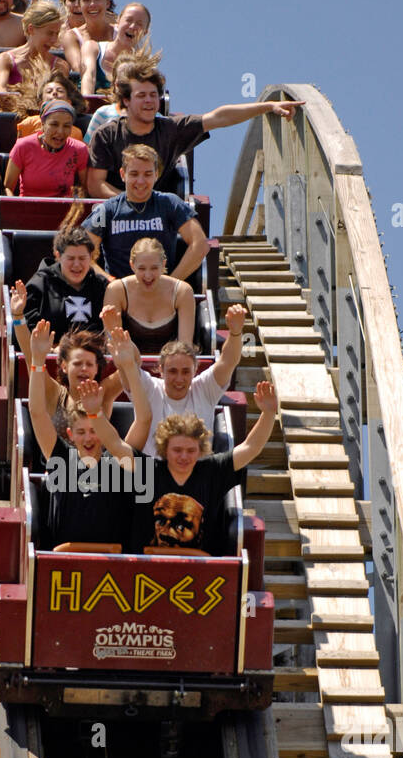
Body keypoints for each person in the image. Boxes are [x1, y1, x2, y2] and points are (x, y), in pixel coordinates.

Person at [86, 58, 305, 196]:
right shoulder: (107, 135)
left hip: (159, 216)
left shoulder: (170, 129)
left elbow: (219, 117)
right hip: (116, 212)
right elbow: (96, 185)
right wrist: (131, 202)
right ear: (126, 100)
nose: (149, 101)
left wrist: (268, 106)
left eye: (153, 95)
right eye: (141, 96)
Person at [28, 322, 151, 550]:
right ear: (70, 435)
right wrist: (37, 360)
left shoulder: (120, 462)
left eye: (94, 431)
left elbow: (144, 419)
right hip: (65, 562)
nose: (88, 439)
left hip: (113, 563)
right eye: (81, 432)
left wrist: (129, 367)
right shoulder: (61, 460)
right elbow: (37, 413)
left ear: (106, 432)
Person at [130, 381, 278, 555]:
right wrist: (100, 413)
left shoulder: (212, 471)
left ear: (200, 450)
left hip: (202, 567)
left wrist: (269, 413)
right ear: (164, 450)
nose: (184, 456)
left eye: (191, 450)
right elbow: (116, 447)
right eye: (177, 450)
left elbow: (250, 447)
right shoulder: (149, 471)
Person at [110, 303, 252, 456]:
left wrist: (235, 332)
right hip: (154, 468)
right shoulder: (149, 388)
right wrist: (116, 330)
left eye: (185, 372)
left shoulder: (204, 389)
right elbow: (130, 363)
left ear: (195, 370)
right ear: (161, 370)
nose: (179, 379)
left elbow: (228, 361)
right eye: (172, 371)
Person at [81, 144, 210, 281]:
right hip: (120, 289)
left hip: (161, 288)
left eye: (147, 174)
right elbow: (82, 251)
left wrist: (172, 282)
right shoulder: (107, 210)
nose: (141, 181)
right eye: (134, 174)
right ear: (123, 175)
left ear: (156, 175)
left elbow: (200, 244)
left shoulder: (170, 204)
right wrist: (109, 282)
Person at [11, 313, 122, 440]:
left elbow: (132, 366)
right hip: (57, 453)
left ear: (96, 368)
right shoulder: (55, 394)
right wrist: (18, 317)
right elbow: (31, 358)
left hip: (98, 454)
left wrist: (115, 333)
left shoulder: (103, 392)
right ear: (64, 366)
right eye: (77, 364)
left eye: (89, 364)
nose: (84, 368)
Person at [12, 228, 110, 346]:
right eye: (71, 258)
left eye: (82, 258)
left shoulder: (102, 287)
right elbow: (28, 335)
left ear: (91, 257)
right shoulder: (40, 284)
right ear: (58, 256)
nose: (77, 264)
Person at [103, 238, 194, 354]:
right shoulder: (116, 290)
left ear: (163, 264)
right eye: (142, 268)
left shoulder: (183, 291)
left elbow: (185, 347)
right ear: (132, 265)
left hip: (172, 363)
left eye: (154, 268)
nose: (148, 275)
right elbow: (113, 346)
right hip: (126, 362)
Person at [4, 101, 88, 197]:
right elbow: (7, 188)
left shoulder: (79, 150)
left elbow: (85, 189)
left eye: (66, 126)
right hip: (28, 205)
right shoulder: (23, 146)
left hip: (64, 205)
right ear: (43, 124)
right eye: (54, 124)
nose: (60, 132)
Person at [0, 2, 69, 100]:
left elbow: (60, 98)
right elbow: (0, 91)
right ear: (31, 29)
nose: (54, 40)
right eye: (49, 33)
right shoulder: (5, 59)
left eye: (57, 33)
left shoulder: (60, 65)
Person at [80, 3, 152, 97]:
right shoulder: (92, 47)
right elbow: (89, 76)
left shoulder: (145, 64)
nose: (132, 27)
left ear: (145, 32)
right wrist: (87, 101)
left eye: (139, 24)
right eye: (128, 20)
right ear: (118, 21)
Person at [13, 71, 87, 141]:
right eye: (49, 91)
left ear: (69, 103)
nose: (54, 93)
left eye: (60, 91)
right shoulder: (28, 124)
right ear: (41, 104)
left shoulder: (76, 133)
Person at [61, 0, 117, 71]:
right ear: (80, 5)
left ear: (107, 3)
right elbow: (78, 68)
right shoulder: (71, 36)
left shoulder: (120, 32)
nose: (92, 4)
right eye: (86, 0)